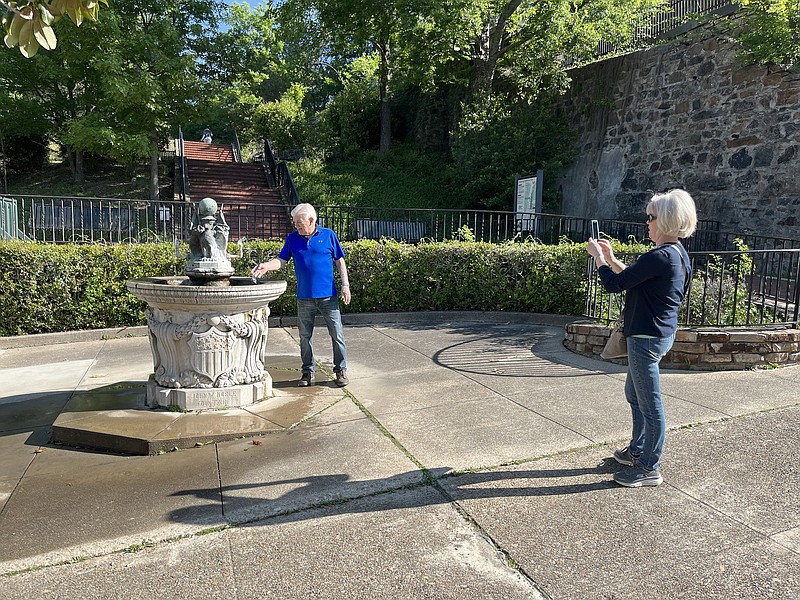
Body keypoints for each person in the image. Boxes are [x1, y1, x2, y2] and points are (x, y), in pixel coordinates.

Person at [587, 189, 696, 488]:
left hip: (646, 338)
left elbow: (613, 284)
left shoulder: (659, 256)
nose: (646, 222)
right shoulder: (676, 255)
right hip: (658, 334)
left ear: (666, 220)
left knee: (650, 404)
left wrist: (598, 258)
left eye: (650, 217)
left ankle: (649, 466)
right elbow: (632, 280)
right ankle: (637, 449)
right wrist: (611, 258)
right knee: (635, 396)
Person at [251, 203, 351, 387]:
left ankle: (340, 370)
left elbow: (339, 261)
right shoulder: (292, 239)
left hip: (328, 296)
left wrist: (345, 285)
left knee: (337, 334)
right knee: (305, 337)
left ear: (311, 220)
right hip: (304, 297)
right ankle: (307, 372)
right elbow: (281, 260)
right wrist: (267, 266)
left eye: (299, 222)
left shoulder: (328, 235)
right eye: (294, 221)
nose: (295, 225)